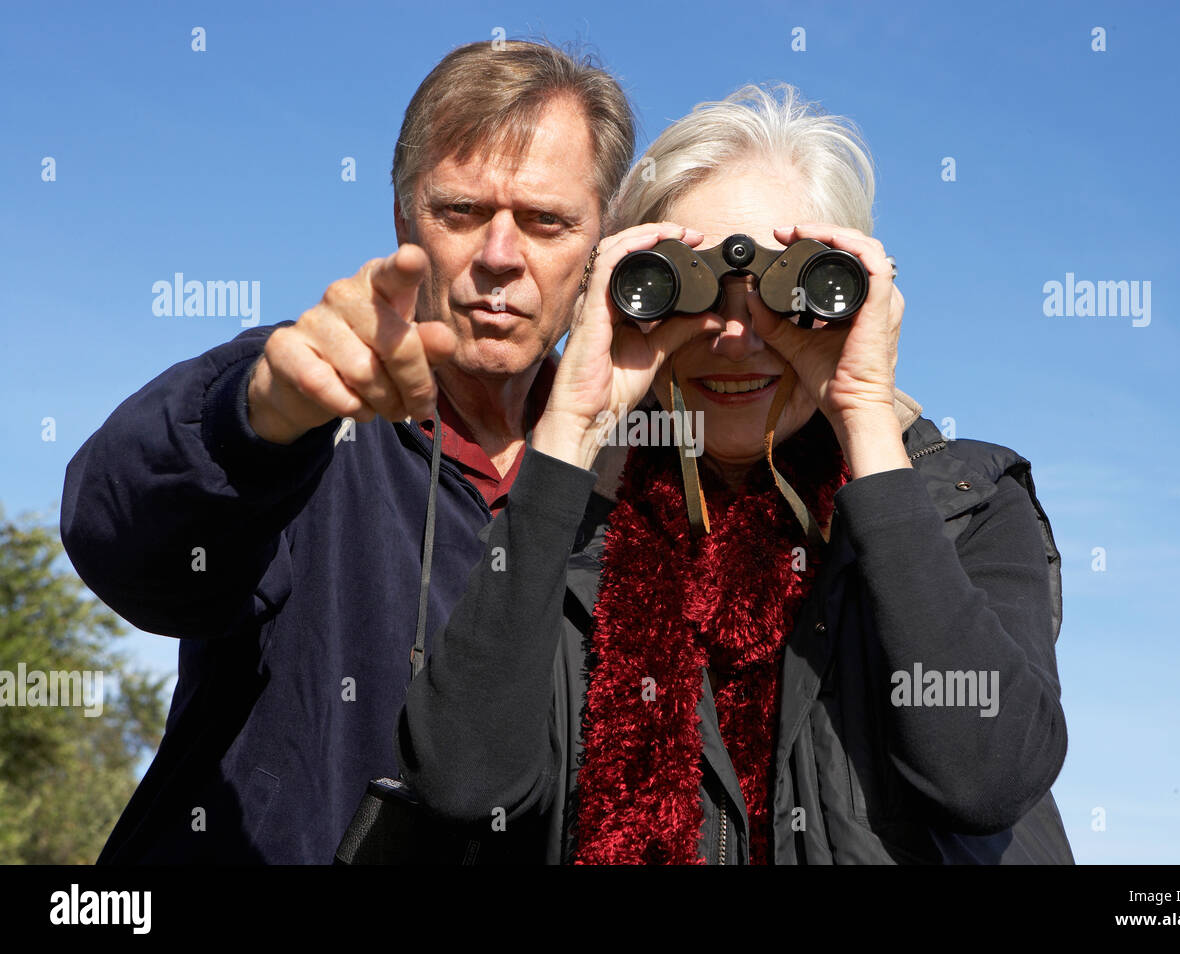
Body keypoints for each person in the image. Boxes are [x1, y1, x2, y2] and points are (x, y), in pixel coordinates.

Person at [397, 83, 1074, 863]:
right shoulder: (569, 529)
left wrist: (866, 420)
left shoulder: (964, 506)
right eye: (692, 285)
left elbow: (985, 779)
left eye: (788, 291)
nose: (735, 334)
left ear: (848, 294)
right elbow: (463, 783)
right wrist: (570, 430)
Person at [59, 39, 635, 863]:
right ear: (405, 221)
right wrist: (253, 424)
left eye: (547, 221)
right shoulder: (313, 399)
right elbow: (120, 540)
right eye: (461, 212)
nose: (501, 257)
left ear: (600, 246)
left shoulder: (636, 486)